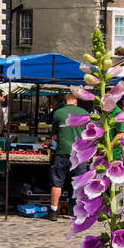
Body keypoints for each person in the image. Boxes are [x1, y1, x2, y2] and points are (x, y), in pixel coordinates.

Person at [49, 89, 83, 221]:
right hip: (79, 153)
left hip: (62, 152)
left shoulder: (58, 113)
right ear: (76, 101)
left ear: (65, 101)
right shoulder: (84, 113)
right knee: (79, 183)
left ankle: (53, 211)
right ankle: (74, 211)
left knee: (57, 182)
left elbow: (55, 136)